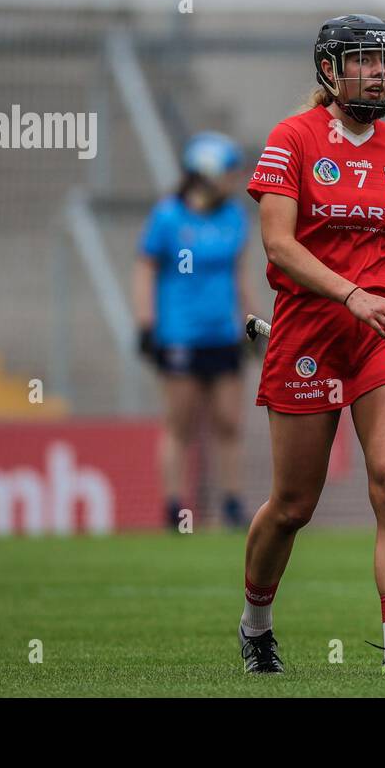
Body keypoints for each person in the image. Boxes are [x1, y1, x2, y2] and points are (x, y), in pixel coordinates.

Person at [239, 13, 385, 677]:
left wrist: (372, 302)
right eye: (364, 60)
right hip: (311, 331)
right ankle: (256, 623)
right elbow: (279, 245)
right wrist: (349, 294)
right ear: (329, 69)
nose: (379, 71)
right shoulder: (290, 140)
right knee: (294, 506)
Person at [133, 132, 255, 531]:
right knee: (180, 423)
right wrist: (146, 323)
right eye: (229, 171)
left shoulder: (233, 216)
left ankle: (233, 504)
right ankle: (174, 508)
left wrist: (251, 321)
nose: (235, 179)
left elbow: (240, 274)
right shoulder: (168, 216)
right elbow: (146, 269)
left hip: (224, 334)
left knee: (228, 422)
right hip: (181, 334)